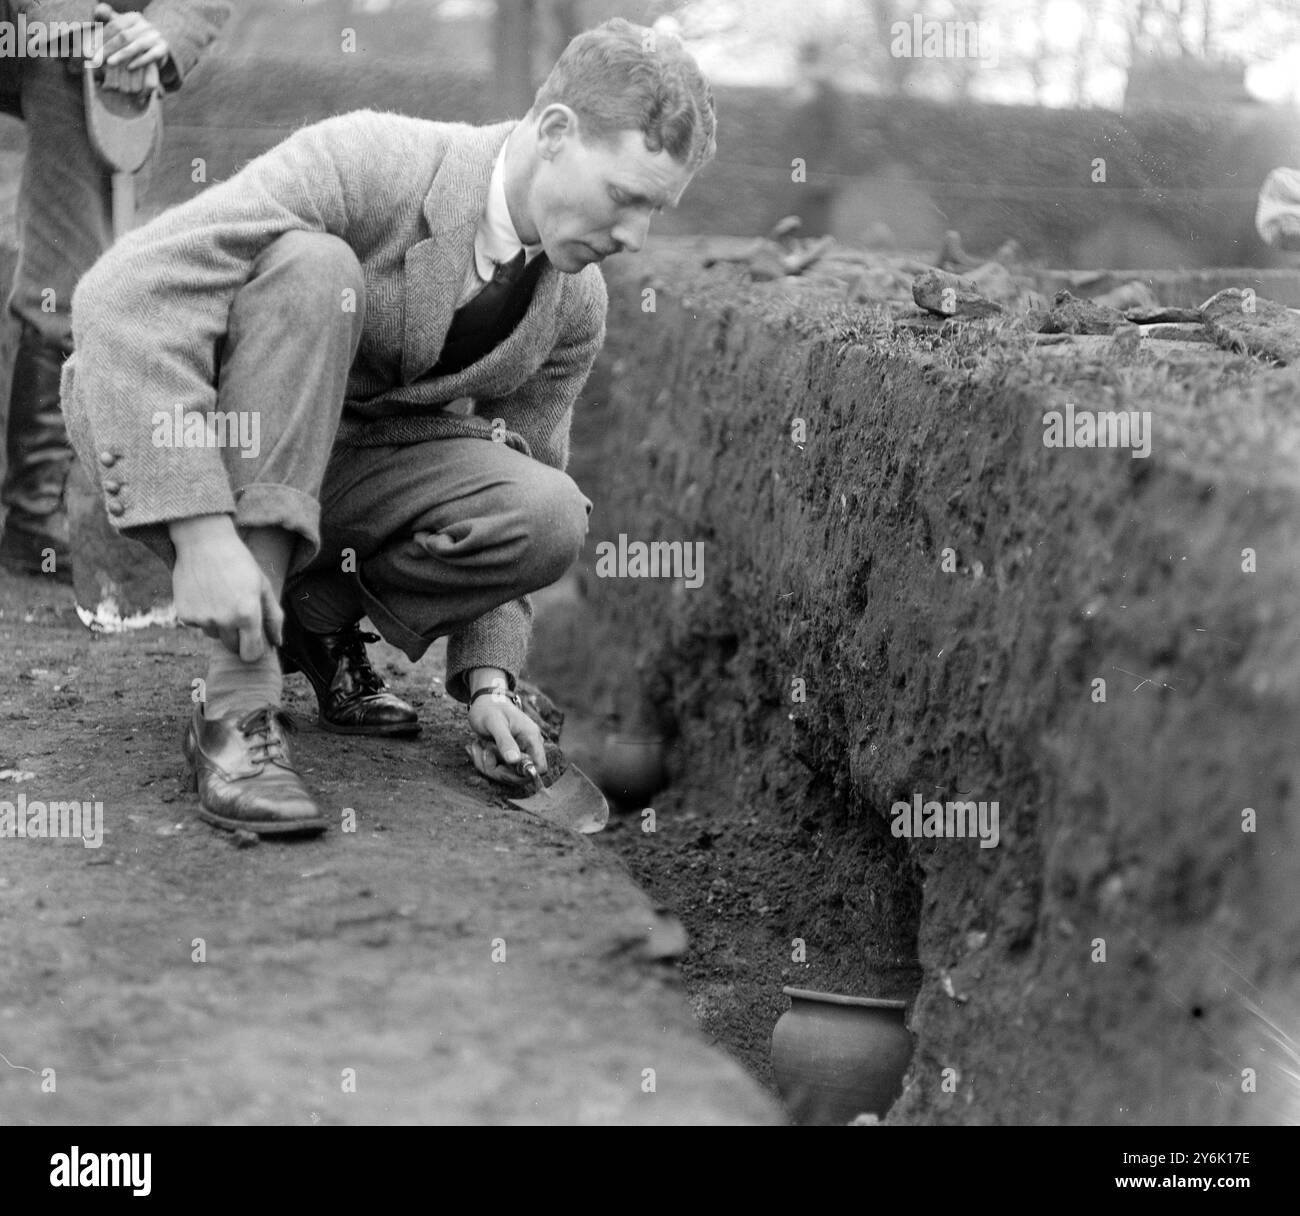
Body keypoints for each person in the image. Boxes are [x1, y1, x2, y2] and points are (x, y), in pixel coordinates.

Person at [61, 18, 716, 837]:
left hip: (343, 476)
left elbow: (529, 458)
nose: (634, 237)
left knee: (548, 511)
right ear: (554, 132)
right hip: (206, 445)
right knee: (314, 271)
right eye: (626, 197)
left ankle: (318, 614)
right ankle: (236, 710)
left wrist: (489, 685)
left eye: (655, 212)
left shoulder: (572, 302)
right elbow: (122, 294)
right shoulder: (373, 160)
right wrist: (201, 538)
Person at [0, 1, 231, 581]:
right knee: (68, 274)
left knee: (95, 262)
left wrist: (156, 34)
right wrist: (83, 26)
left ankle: (48, 507)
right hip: (59, 33)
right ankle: (38, 513)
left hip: (109, 52)